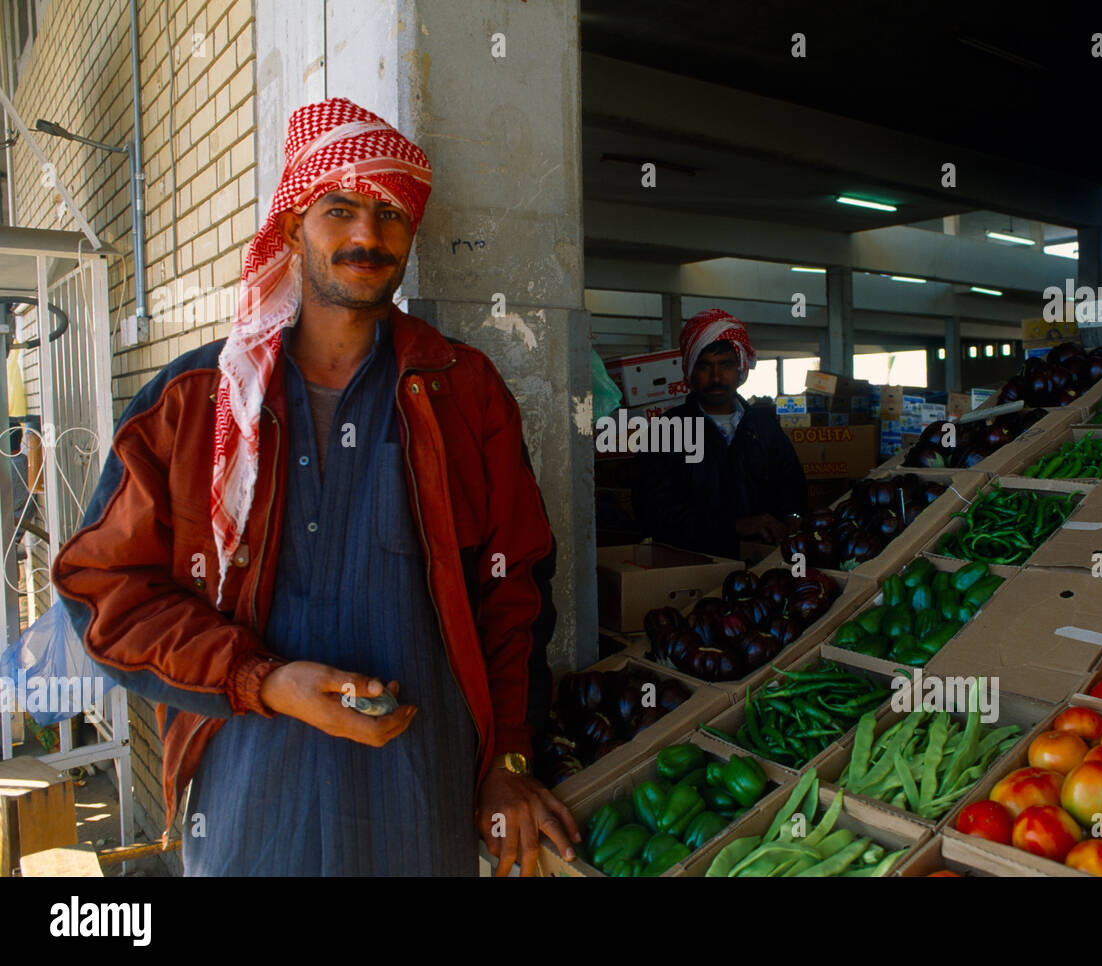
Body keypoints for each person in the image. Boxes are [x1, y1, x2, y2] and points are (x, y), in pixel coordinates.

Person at [51, 97, 578, 876]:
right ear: (294, 226)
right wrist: (259, 680)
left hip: (418, 797)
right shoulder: (195, 401)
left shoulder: (464, 392)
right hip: (248, 801)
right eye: (340, 209)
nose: (367, 234)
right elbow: (105, 589)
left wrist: (509, 761)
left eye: (390, 214)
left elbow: (515, 592)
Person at [633, 309, 806, 559]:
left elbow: (792, 484)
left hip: (763, 567)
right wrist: (733, 526)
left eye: (725, 364)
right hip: (693, 569)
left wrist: (793, 517)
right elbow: (653, 514)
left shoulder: (763, 426)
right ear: (690, 371)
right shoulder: (666, 431)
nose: (716, 377)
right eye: (704, 366)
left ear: (740, 368)